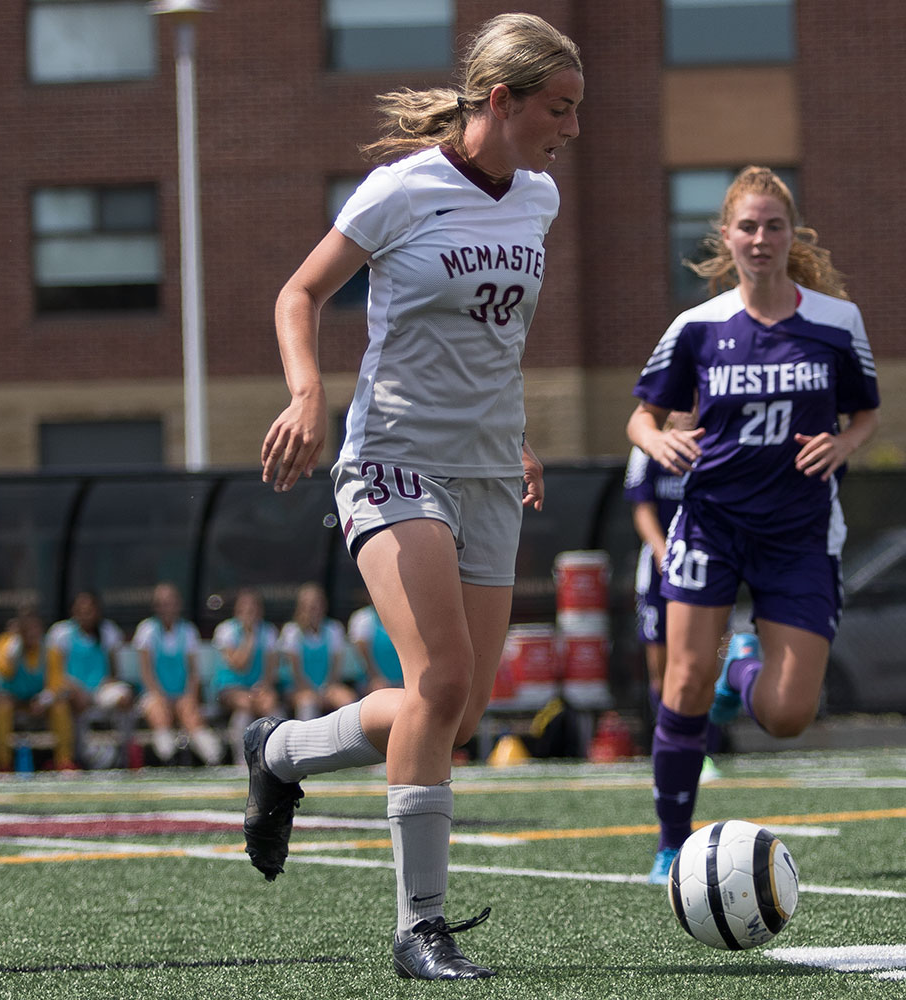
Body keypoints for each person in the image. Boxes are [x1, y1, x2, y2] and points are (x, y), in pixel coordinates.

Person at [244, 11, 579, 980]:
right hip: (391, 458)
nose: (571, 127)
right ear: (503, 101)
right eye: (557, 107)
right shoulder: (401, 190)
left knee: (458, 710)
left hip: (484, 470)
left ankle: (279, 755)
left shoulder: (540, 199)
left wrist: (513, 437)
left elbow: (492, 337)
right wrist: (308, 394)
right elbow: (297, 294)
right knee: (436, 681)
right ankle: (416, 927)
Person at [626, 167, 881, 883]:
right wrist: (657, 441)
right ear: (726, 238)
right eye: (747, 226)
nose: (761, 238)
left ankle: (741, 664)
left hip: (799, 534)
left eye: (774, 226)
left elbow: (866, 412)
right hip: (711, 523)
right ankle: (672, 842)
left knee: (789, 715)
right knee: (681, 682)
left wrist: (845, 443)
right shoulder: (696, 328)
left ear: (792, 234)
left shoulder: (837, 323)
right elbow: (640, 416)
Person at [625, 416, 724, 773]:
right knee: (662, 667)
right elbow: (641, 506)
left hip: (704, 565)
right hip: (658, 573)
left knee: (701, 662)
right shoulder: (648, 447)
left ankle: (705, 749)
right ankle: (667, 747)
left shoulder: (714, 442)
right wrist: (661, 549)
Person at [133, 582, 224, 765]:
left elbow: (193, 672)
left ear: (178, 604)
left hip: (181, 694)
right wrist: (160, 696)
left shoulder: (188, 630)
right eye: (162, 603)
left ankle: (213, 757)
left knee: (190, 714)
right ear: (155, 606)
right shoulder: (146, 630)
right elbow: (146, 671)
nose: (166, 607)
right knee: (159, 713)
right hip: (154, 694)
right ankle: (168, 758)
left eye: (170, 602)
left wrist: (190, 696)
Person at [47, 591, 135, 768]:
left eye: (89, 609)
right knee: (70, 701)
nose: (85, 613)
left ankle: (128, 754)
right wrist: (76, 689)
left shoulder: (108, 631)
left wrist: (109, 682)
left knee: (124, 696)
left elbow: (114, 671)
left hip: (100, 690)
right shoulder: (61, 633)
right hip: (73, 690)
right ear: (74, 610)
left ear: (97, 611)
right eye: (81, 609)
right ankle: (77, 756)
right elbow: (56, 673)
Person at [0, 604, 70, 771]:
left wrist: (43, 700)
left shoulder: (50, 650)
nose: (32, 633)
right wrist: (14, 645)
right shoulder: (6, 643)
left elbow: (56, 683)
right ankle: (4, 764)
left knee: (61, 707)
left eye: (35, 628)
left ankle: (65, 762)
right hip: (13, 698)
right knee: (1, 706)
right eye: (27, 629)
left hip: (39, 700)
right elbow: (4, 670)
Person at [211, 587, 282, 761]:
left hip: (256, 690)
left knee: (271, 705)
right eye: (245, 608)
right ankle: (241, 759)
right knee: (245, 703)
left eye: (253, 608)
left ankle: (276, 757)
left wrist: (263, 687)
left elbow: (271, 668)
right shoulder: (226, 630)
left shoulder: (269, 631)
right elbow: (238, 664)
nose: (249, 612)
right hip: (230, 689)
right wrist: (249, 636)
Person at [280, 582, 360, 720]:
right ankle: (306, 740)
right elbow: (296, 672)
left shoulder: (334, 629)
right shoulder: (291, 631)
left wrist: (327, 689)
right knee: (308, 703)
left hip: (327, 687)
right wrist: (313, 692)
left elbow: (335, 667)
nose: (313, 608)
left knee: (349, 700)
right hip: (299, 689)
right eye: (309, 605)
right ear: (301, 607)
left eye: (317, 603)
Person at [345, 593, 405, 690]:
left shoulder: (403, 616)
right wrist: (376, 678)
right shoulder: (362, 618)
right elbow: (361, 654)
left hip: (403, 681)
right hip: (371, 681)